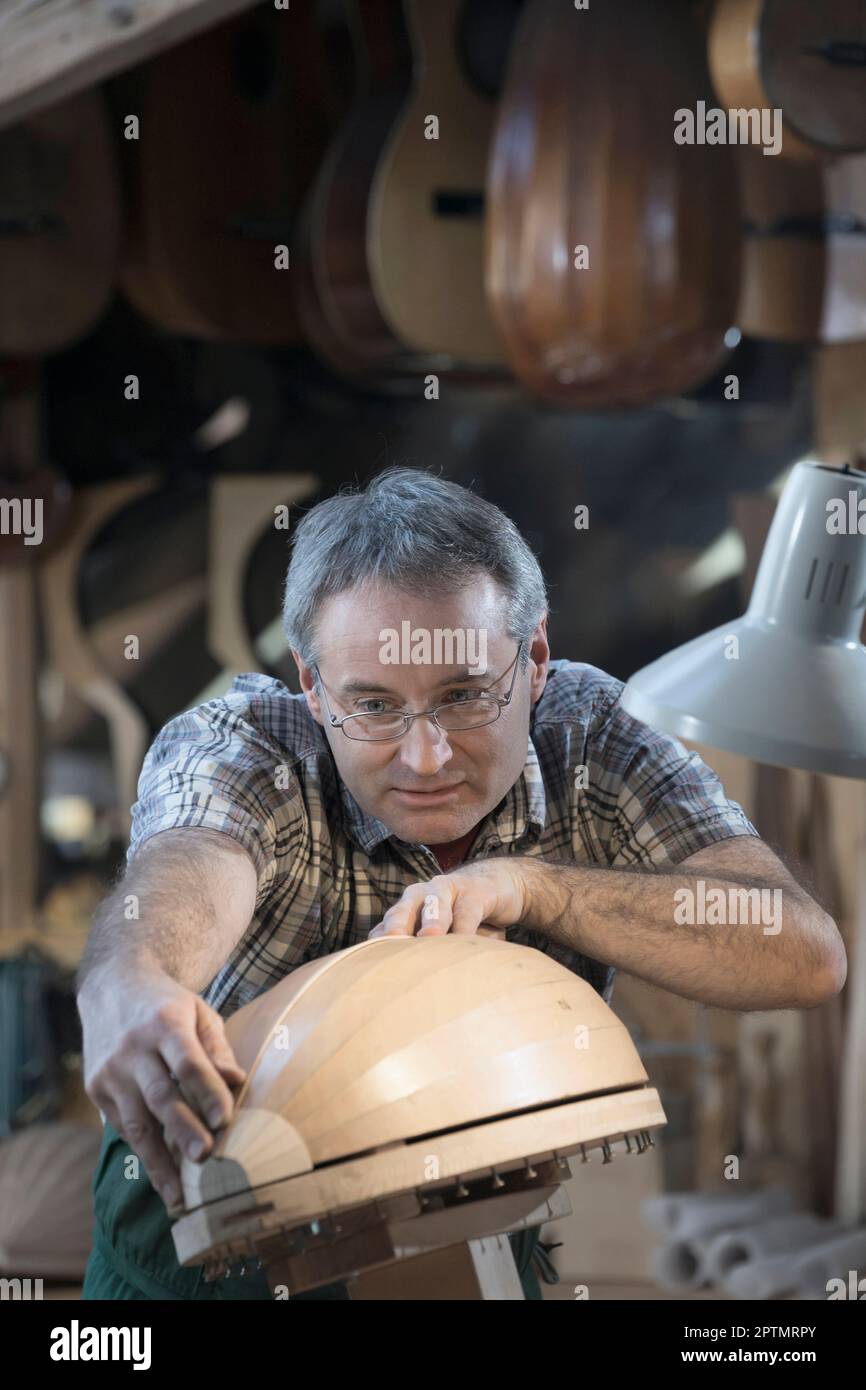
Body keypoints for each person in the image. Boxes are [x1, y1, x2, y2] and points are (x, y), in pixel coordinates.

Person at [77, 467, 846, 1301]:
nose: (426, 758)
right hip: (214, 1229)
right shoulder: (248, 744)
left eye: (466, 696)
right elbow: (194, 863)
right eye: (373, 706)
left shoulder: (596, 739)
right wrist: (132, 979)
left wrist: (536, 887)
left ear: (537, 658)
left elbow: (802, 955)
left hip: (467, 1218)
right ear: (311, 684)